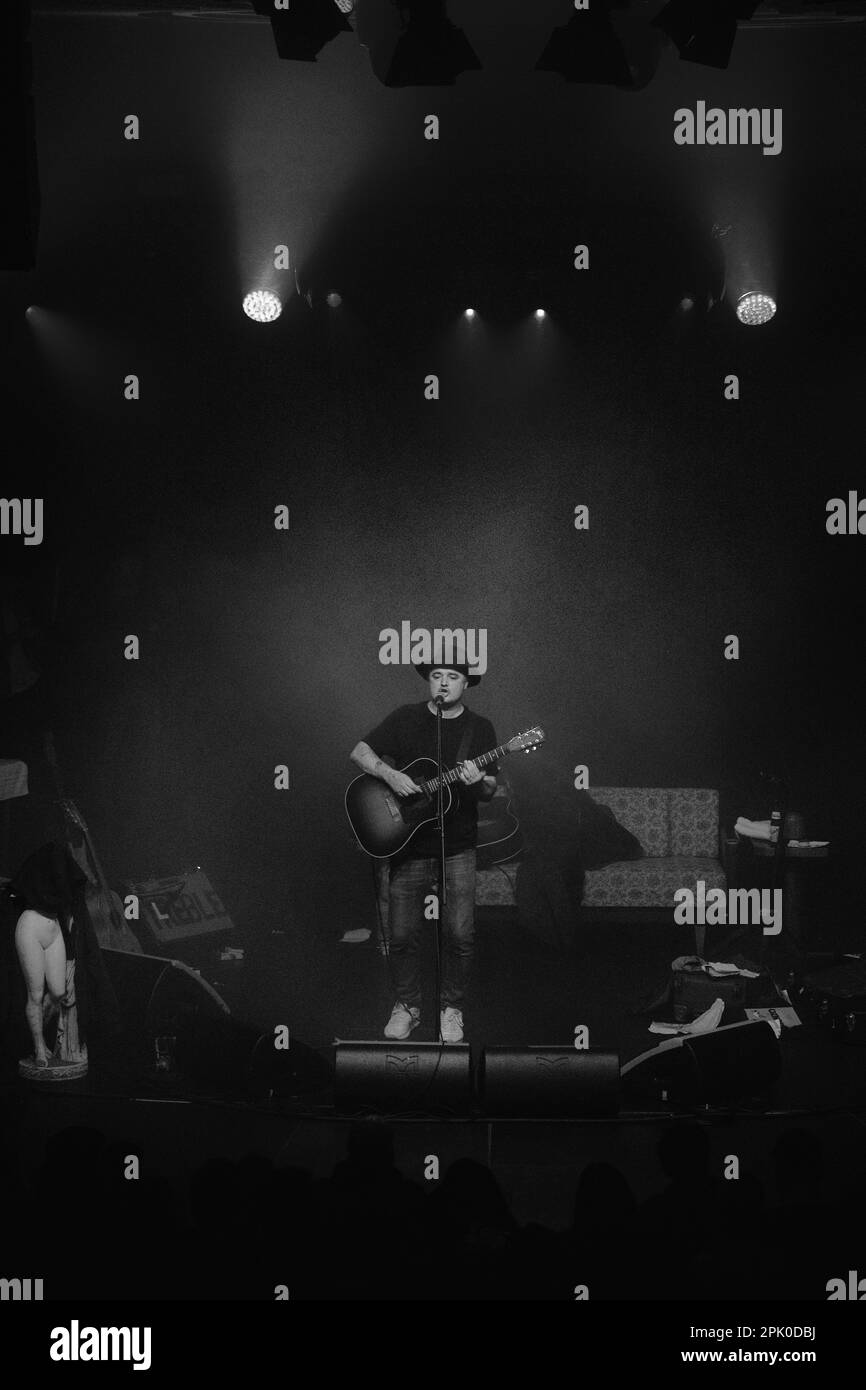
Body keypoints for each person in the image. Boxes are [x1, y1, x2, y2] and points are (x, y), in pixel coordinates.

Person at [350, 662, 498, 1043]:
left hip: (458, 846)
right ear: (429, 683)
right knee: (401, 935)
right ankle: (408, 1006)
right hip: (408, 845)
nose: (444, 683)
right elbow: (359, 752)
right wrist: (390, 775)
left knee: (460, 935)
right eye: (437, 676)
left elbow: (490, 788)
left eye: (452, 677)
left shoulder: (479, 729)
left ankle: (452, 1008)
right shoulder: (405, 718)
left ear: (466, 683)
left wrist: (479, 780)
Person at [1, 840, 118, 1069]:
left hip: (52, 928)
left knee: (57, 990)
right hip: (32, 928)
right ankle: (39, 1047)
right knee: (34, 993)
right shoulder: (36, 877)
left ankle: (39, 1022)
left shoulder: (66, 885)